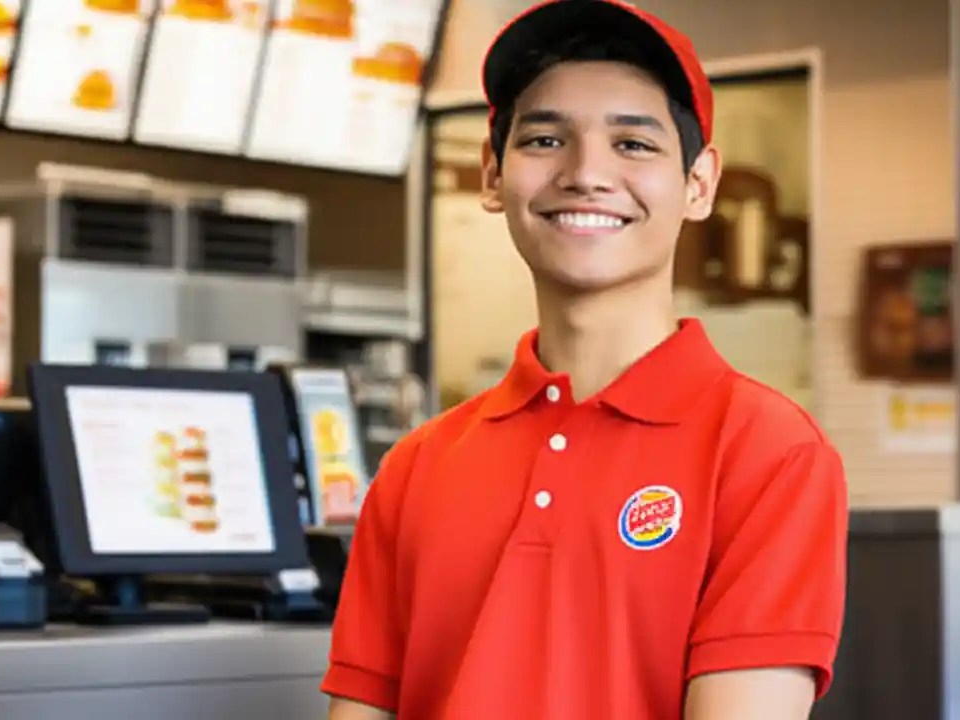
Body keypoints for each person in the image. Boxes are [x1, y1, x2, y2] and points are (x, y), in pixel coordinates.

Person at [323, 1, 848, 718]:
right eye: (544, 139)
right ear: (491, 174)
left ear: (699, 185)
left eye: (633, 145)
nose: (586, 173)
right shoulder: (415, 470)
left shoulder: (769, 455)